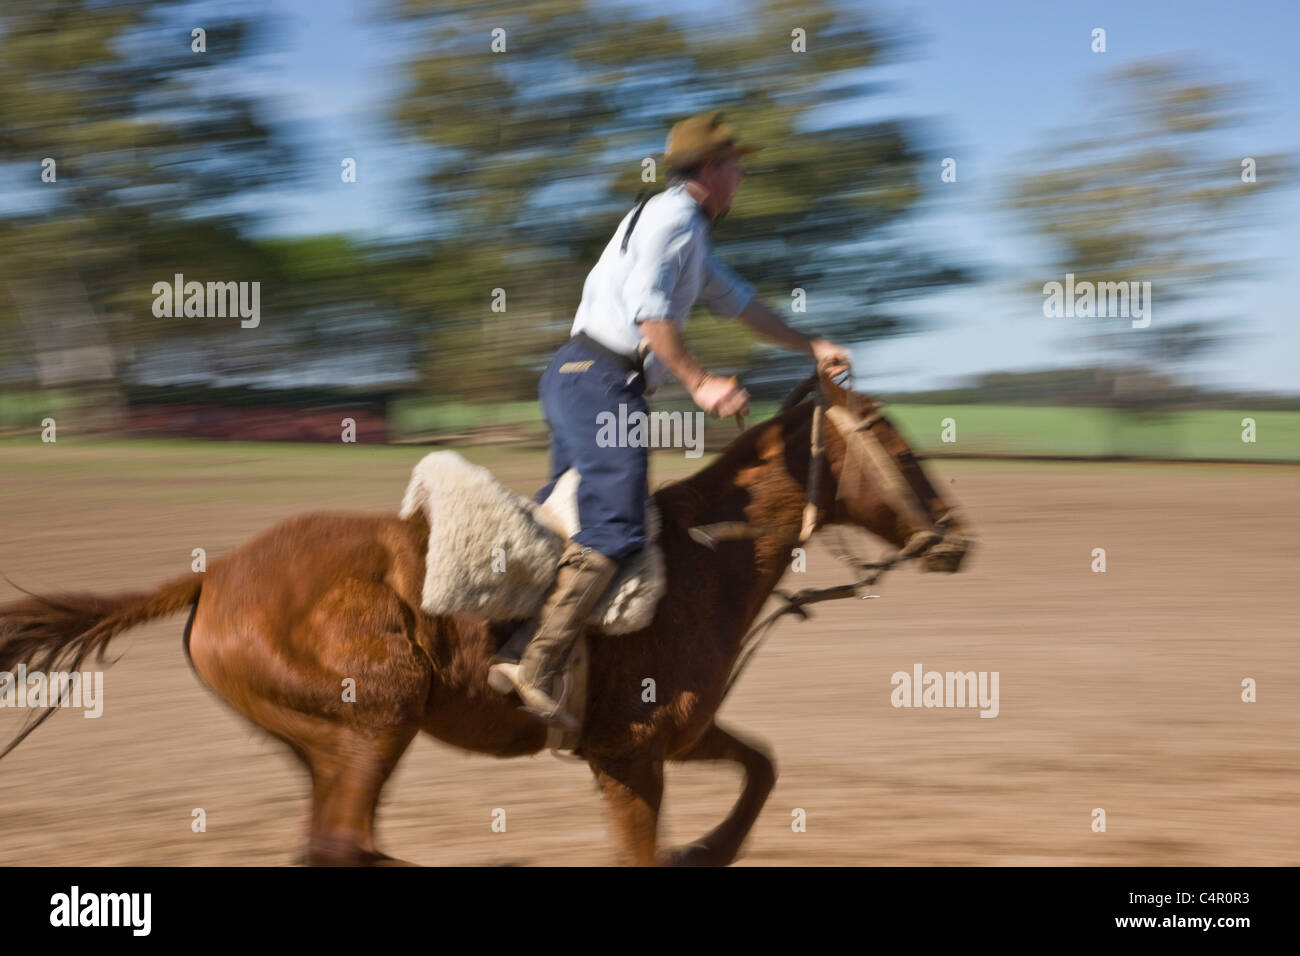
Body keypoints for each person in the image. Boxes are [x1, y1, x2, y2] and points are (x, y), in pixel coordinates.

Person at [488, 110, 851, 727]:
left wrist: (811, 344)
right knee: (619, 526)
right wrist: (702, 383)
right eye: (737, 164)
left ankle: (528, 646)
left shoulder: (678, 224)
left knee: (568, 516)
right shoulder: (678, 220)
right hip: (602, 382)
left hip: (577, 377)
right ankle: (536, 661)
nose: (743, 174)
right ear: (710, 168)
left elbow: (741, 306)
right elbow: (650, 315)